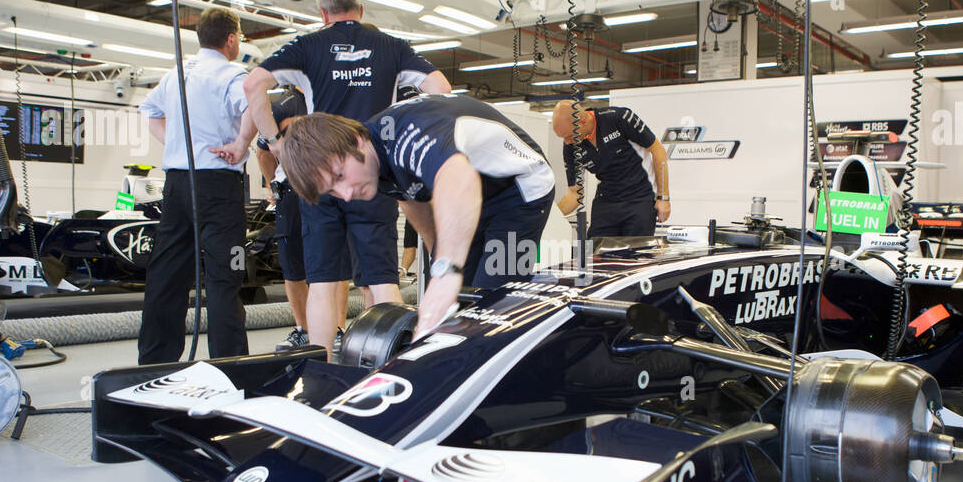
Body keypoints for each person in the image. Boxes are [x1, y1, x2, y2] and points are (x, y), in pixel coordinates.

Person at [230, 0, 450, 358]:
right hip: (371, 175)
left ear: (323, 13)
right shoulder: (390, 47)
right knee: (381, 279)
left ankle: (320, 370)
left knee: (323, 280)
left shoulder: (308, 46)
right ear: (360, 10)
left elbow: (253, 85)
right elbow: (441, 89)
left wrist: (276, 143)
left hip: (320, 175)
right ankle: (390, 369)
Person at [276, 94, 555, 337]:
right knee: (456, 301)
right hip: (475, 197)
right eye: (333, 191)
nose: (346, 195)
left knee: (490, 302)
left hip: (520, 190)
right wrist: (437, 256)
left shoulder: (406, 138)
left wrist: (446, 271)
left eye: (340, 175)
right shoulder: (377, 162)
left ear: (357, 141)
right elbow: (411, 200)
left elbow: (459, 179)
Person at [136, 6, 250, 365]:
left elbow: (150, 111)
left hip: (177, 185)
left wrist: (177, 144)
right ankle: (229, 366)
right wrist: (241, 144)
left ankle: (154, 363)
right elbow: (253, 107)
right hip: (217, 184)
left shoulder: (176, 74)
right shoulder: (233, 73)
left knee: (166, 275)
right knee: (224, 278)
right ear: (231, 39)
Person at [552, 99, 671, 237]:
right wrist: (551, 217)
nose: (567, 142)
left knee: (637, 254)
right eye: (563, 138)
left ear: (582, 121)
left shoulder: (618, 118)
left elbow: (658, 151)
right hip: (606, 201)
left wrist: (663, 197)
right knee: (593, 253)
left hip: (639, 197)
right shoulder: (571, 147)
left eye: (570, 136)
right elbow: (574, 194)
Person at [255, 79, 313, 351]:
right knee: (293, 266)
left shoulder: (328, 97)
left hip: (326, 189)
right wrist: (272, 185)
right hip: (291, 191)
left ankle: (335, 328)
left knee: (331, 266)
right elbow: (262, 153)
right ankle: (303, 328)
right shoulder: (283, 107)